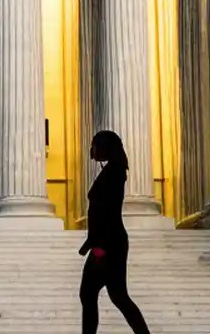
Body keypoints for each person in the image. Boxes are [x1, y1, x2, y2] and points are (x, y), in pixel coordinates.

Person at [78, 130, 152, 334]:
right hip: (110, 242)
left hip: (108, 244)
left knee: (91, 294)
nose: (91, 150)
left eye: (94, 145)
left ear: (104, 147)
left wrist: (99, 247)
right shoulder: (112, 171)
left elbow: (108, 212)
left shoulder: (113, 173)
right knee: (117, 296)